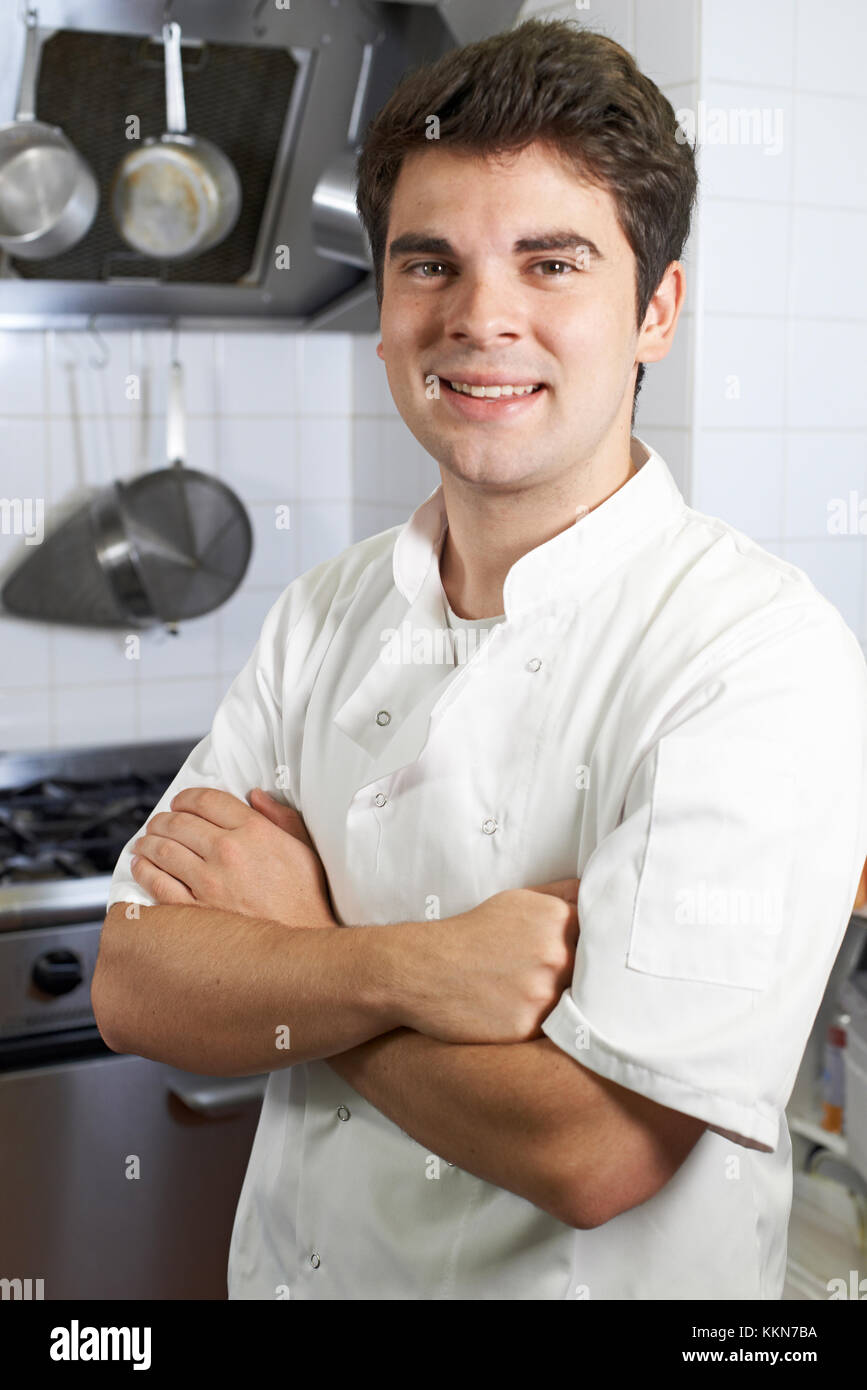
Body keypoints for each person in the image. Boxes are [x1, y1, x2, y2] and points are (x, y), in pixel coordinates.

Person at [93, 18, 867, 1300]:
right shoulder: (327, 612)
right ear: (385, 309)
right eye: (429, 263)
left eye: (552, 262)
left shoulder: (753, 653)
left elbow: (594, 1146)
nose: (480, 317)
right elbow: (135, 980)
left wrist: (295, 949)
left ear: (655, 310)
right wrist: (409, 968)